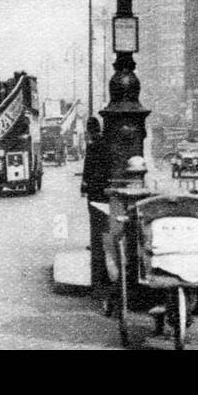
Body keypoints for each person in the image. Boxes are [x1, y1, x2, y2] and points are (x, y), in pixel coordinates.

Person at [80, 117, 115, 289]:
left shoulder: (93, 144)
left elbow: (88, 166)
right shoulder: (106, 143)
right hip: (104, 187)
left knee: (97, 220)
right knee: (104, 221)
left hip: (95, 189)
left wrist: (84, 185)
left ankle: (99, 252)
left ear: (89, 129)